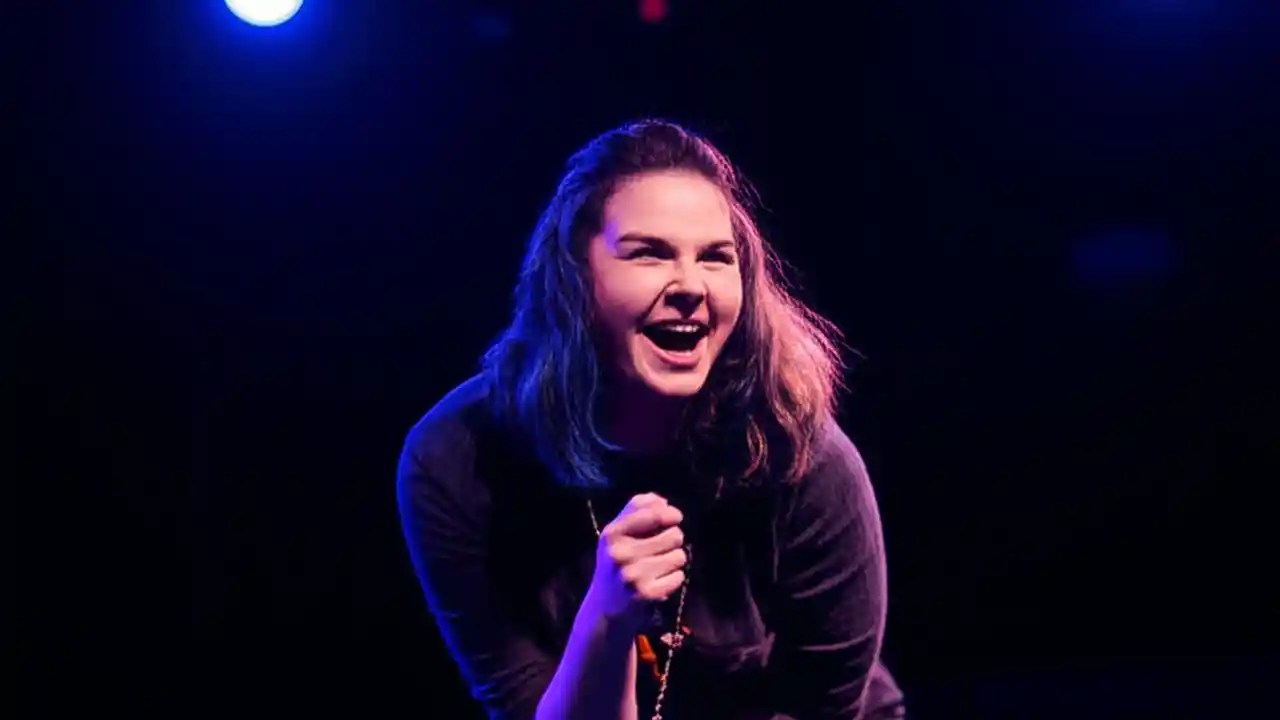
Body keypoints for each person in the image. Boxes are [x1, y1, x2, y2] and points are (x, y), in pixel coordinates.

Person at [396, 119, 906, 719]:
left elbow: (826, 701)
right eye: (649, 253)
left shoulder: (801, 453)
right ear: (574, 278)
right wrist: (606, 620)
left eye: (716, 258)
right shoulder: (456, 460)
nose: (690, 285)